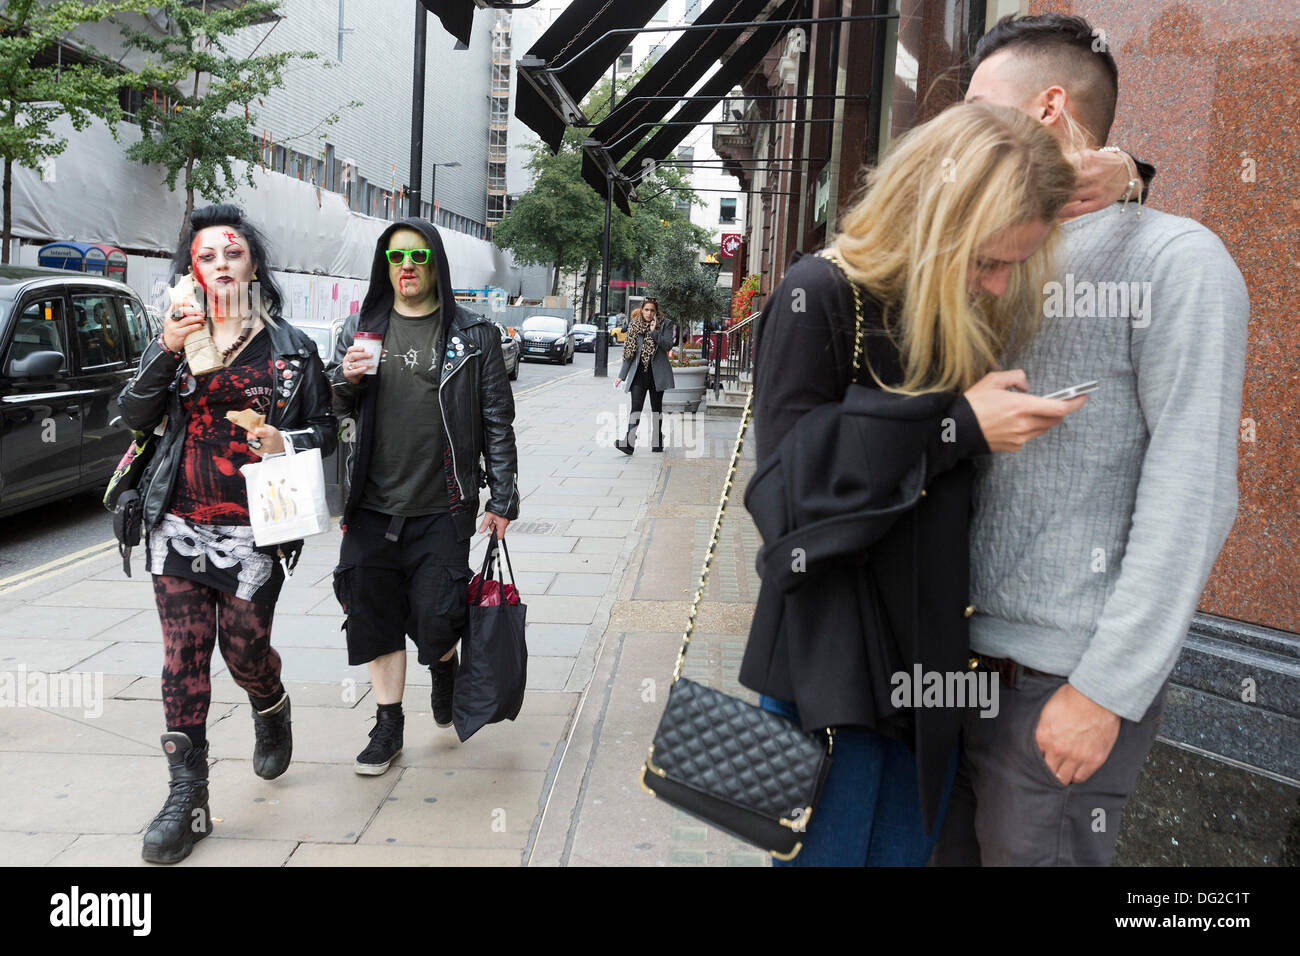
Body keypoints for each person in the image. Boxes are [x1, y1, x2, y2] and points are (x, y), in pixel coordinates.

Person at [931, 13, 1249, 867]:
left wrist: (1106, 689)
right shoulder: (988, 252)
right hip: (946, 667)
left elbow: (1194, 489)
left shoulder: (1179, 262)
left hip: (1059, 686)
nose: (955, 129)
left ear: (1047, 108)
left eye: (975, 105)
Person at [741, 101, 1087, 866]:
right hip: (831, 668)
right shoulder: (821, 294)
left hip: (930, 669)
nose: (998, 286)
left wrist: (1123, 177)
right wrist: (957, 427)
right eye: (987, 261)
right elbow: (786, 497)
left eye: (1012, 265)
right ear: (933, 222)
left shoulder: (952, 307)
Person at [117, 204, 338, 864]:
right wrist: (168, 348)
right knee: (184, 655)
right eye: (207, 255)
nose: (220, 264)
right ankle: (187, 795)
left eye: (232, 253)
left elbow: (326, 431)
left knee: (244, 650)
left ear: (252, 265)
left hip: (256, 528)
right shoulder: (175, 335)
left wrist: (284, 439)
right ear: (193, 268)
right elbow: (131, 413)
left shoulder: (292, 346)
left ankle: (269, 705)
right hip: (179, 521)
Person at [331, 218, 519, 775]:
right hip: (370, 503)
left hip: (445, 502)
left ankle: (444, 664)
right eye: (394, 258)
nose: (405, 267)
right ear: (384, 266)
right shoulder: (360, 329)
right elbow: (334, 410)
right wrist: (344, 378)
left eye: (416, 256)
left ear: (435, 261)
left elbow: (496, 422)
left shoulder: (473, 334)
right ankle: (389, 724)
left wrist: (503, 498)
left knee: (437, 620)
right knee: (373, 615)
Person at [613, 298, 676, 453]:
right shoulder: (634, 326)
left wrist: (654, 332)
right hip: (639, 374)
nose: (649, 313)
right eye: (646, 310)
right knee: (636, 409)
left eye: (652, 310)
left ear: (656, 311)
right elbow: (629, 354)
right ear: (642, 310)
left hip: (657, 374)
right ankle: (628, 443)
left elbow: (668, 345)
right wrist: (621, 376)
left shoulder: (665, 324)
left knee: (656, 409)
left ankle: (657, 441)